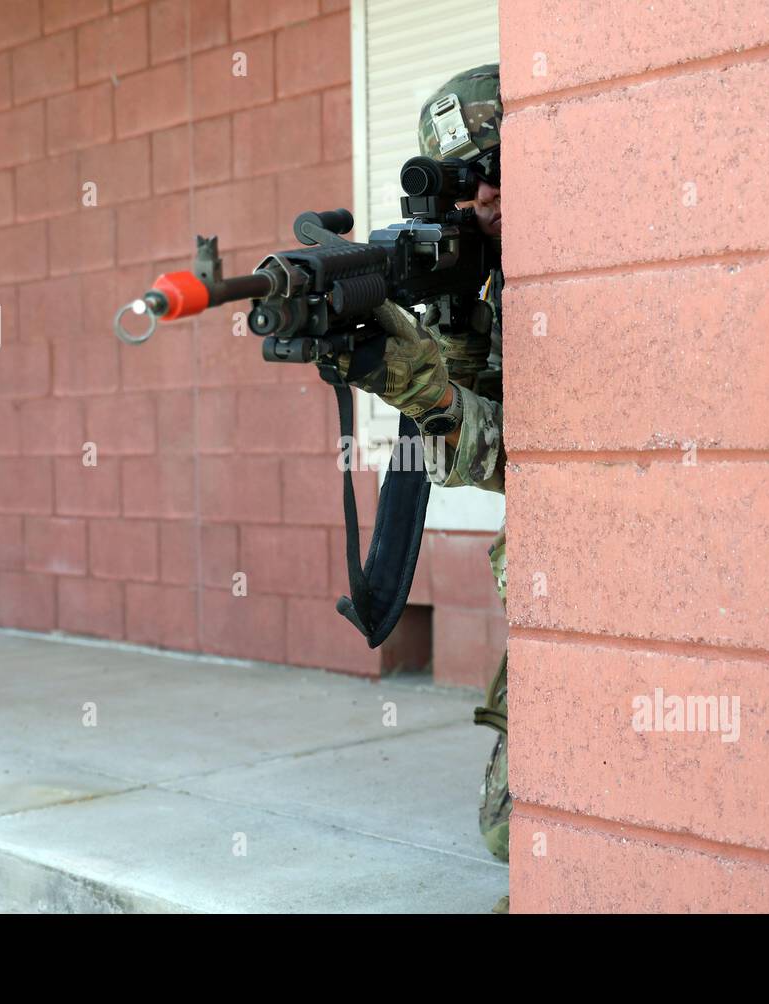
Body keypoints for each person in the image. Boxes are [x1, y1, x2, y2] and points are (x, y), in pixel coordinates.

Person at [332, 64, 509, 912]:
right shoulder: (483, 279)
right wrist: (415, 347)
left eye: (495, 169)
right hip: (557, 600)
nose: (480, 198)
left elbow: (558, 460)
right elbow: (473, 452)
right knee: (512, 829)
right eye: (462, 182)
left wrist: (429, 391)